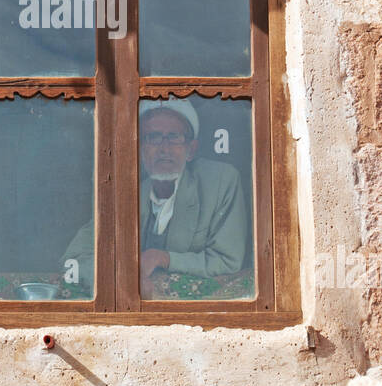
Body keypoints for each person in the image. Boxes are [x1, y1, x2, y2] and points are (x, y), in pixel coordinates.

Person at [63, 97, 248, 298]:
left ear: (191, 150)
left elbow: (227, 260)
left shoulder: (220, 181)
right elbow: (75, 257)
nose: (164, 149)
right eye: (153, 137)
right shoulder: (125, 193)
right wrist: (123, 280)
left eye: (174, 137)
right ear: (140, 149)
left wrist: (163, 258)